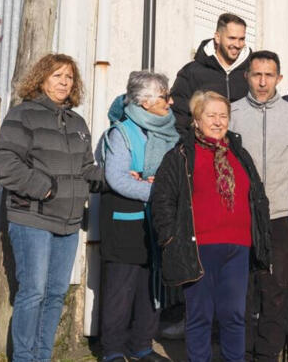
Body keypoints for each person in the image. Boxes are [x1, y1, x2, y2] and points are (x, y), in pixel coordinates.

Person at [0, 53, 104, 362]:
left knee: (56, 293)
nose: (64, 82)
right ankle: (24, 358)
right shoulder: (23, 115)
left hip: (68, 222)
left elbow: (86, 169)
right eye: (57, 75)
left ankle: (42, 357)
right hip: (32, 218)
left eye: (69, 77)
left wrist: (114, 178)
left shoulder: (77, 123)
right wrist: (43, 187)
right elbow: (5, 161)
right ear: (41, 79)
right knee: (34, 292)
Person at [149, 91, 271, 362]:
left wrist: (261, 236)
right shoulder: (181, 155)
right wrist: (170, 239)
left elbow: (257, 195)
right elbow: (163, 200)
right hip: (199, 247)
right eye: (211, 115)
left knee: (234, 315)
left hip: (238, 247)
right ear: (196, 120)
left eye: (223, 116)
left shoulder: (239, 153)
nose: (218, 121)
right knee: (200, 315)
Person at [229, 51, 288, 361]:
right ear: (246, 77)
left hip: (281, 215)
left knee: (275, 289)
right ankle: (240, 351)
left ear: (279, 78)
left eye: (269, 75)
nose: (262, 82)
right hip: (241, 215)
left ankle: (267, 353)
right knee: (241, 289)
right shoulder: (232, 113)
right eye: (257, 75)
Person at [97, 71, 181, 362]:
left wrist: (161, 186)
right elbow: (117, 178)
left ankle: (141, 346)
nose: (170, 102)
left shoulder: (171, 132)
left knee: (152, 287)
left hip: (157, 222)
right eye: (164, 96)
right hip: (126, 224)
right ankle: (112, 351)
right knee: (120, 291)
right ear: (145, 102)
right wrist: (158, 190)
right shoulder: (122, 133)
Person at [170, 13, 252, 129]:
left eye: (241, 39)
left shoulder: (253, 72)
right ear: (217, 37)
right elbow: (178, 114)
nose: (237, 45)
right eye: (232, 38)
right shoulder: (191, 72)